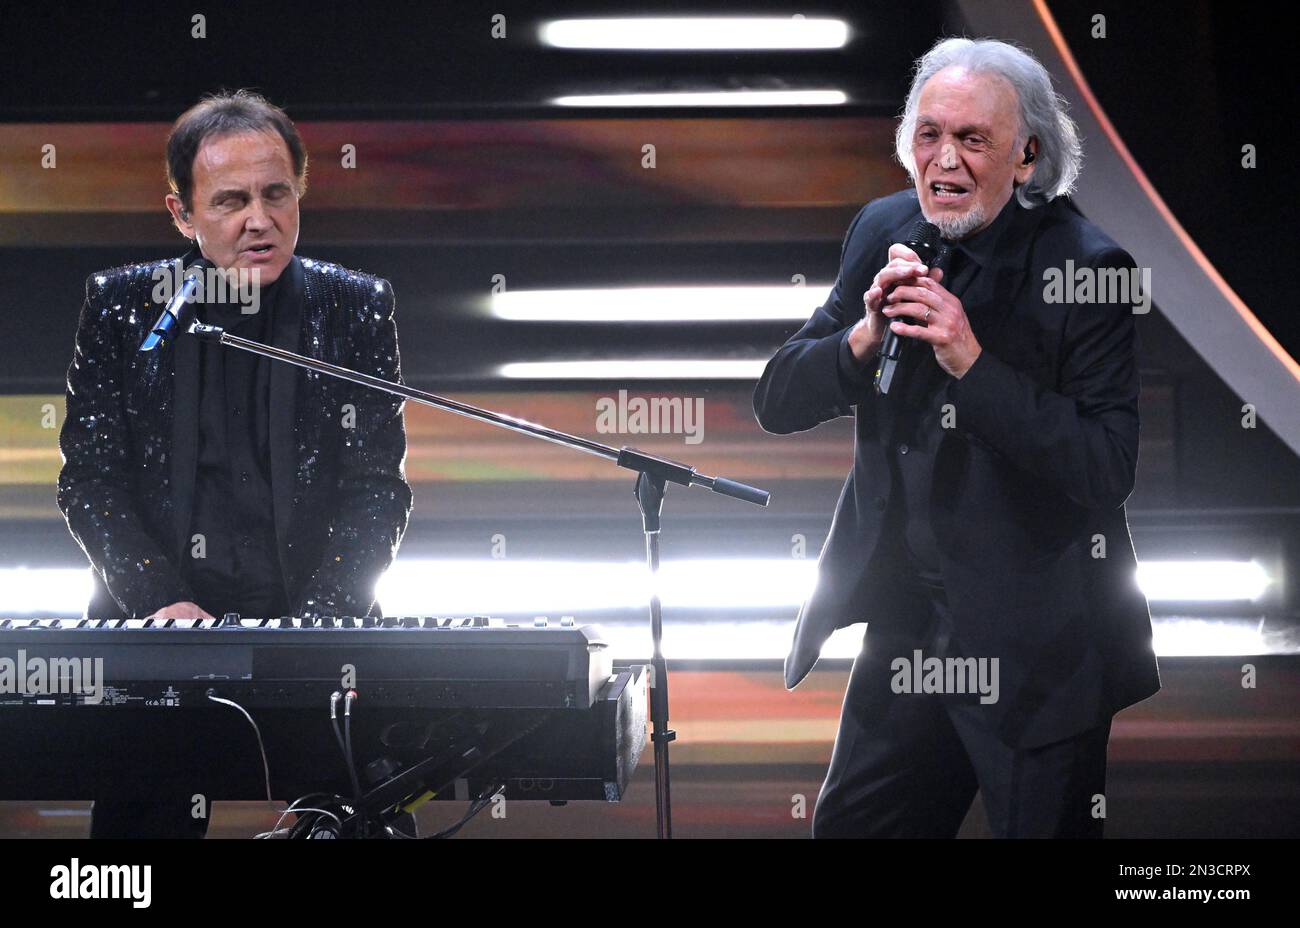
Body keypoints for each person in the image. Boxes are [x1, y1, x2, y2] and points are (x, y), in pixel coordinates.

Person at [753, 38, 1160, 838]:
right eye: (930, 135)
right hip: (908, 631)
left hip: (1038, 652)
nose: (945, 161)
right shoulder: (885, 229)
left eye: (973, 139)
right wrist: (860, 340)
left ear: (1027, 155)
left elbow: (1106, 467)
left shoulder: (1089, 269)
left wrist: (972, 364)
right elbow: (776, 399)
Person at [56, 90, 413, 837]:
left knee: (354, 821)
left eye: (276, 194)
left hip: (321, 640)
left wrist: (319, 626)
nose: (260, 219)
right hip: (154, 638)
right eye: (231, 201)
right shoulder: (124, 307)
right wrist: (160, 604)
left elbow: (376, 490)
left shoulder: (355, 308)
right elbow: (91, 480)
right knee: (128, 867)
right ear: (182, 214)